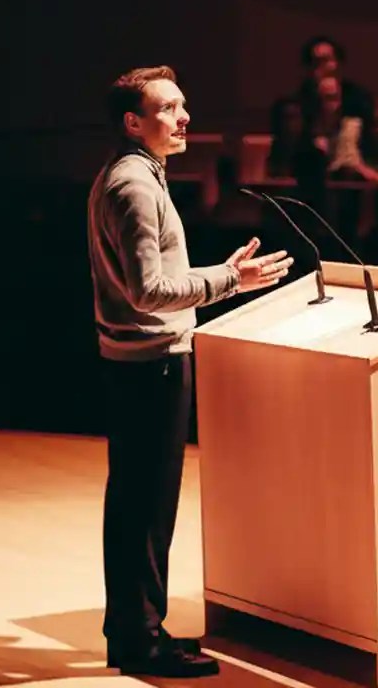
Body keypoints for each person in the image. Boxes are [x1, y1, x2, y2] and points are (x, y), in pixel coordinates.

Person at [87, 66, 294, 678]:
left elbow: (152, 279)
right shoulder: (134, 185)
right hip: (150, 366)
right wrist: (232, 280)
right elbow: (149, 291)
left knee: (135, 506)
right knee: (145, 509)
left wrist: (215, 271)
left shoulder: (131, 175)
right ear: (133, 122)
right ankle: (140, 640)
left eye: (183, 105)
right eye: (169, 108)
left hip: (137, 364)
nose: (184, 118)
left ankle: (133, 630)